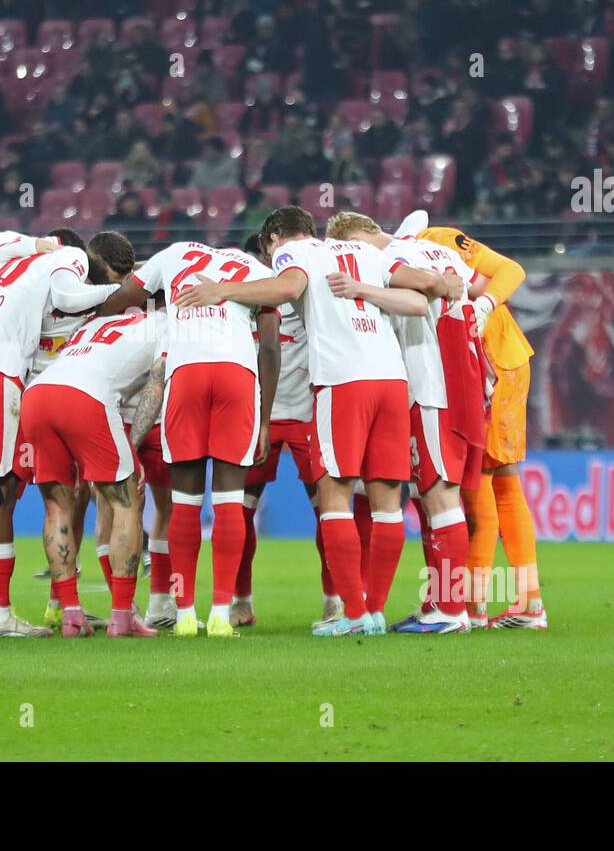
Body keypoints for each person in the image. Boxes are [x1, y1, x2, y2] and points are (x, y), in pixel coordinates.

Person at [174, 206, 459, 635]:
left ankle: (353, 613)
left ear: (273, 241)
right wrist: (442, 283)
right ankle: (375, 611)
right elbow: (421, 298)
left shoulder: (294, 254)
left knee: (335, 497)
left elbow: (288, 288)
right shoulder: (363, 253)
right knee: (385, 501)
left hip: (341, 382)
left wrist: (224, 290)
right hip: (391, 380)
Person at [0, 230, 118, 637]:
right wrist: (113, 292)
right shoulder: (70, 259)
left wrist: (21, 246)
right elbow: (68, 298)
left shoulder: (7, 260)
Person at [95, 239, 281, 638]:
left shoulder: (173, 254)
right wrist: (264, 420)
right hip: (237, 372)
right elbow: (268, 347)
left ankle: (182, 614)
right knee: (230, 501)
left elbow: (121, 299)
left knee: (185, 502)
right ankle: (219, 613)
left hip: (187, 371)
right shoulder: (251, 267)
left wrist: (84, 310)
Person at [326, 210, 487, 634]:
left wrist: (366, 287)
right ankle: (440, 602)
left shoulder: (392, 255)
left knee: (438, 495)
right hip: (461, 379)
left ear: (363, 236)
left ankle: (452, 610)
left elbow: (427, 286)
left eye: (354, 247)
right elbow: (479, 281)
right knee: (430, 494)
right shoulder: (435, 249)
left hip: (430, 382)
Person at [418, 220, 547, 629]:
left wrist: (485, 304)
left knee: (482, 481)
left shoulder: (435, 240)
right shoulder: (398, 257)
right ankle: (519, 603)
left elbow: (512, 270)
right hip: (477, 366)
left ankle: (474, 605)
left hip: (494, 364)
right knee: (497, 480)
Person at [20, 308, 166, 638]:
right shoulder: (166, 325)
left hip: (38, 393)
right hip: (85, 399)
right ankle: (122, 617)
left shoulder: (97, 321)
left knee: (58, 506)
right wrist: (133, 446)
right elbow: (155, 386)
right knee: (128, 500)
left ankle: (70, 614)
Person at [234, 234, 326, 629]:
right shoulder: (241, 299)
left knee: (329, 510)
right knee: (238, 511)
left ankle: (335, 599)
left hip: (307, 411)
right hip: (255, 415)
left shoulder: (312, 288)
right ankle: (240, 599)